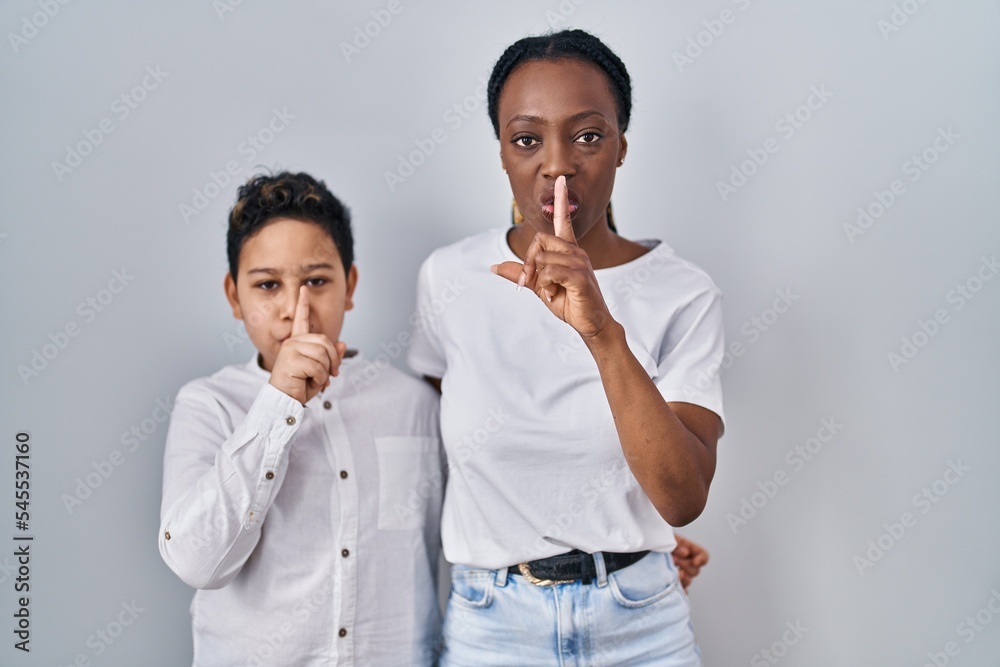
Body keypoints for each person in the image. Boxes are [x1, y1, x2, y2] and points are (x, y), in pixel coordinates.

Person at [408, 29, 724, 665]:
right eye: (527, 139)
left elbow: (682, 498)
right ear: (501, 153)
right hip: (491, 628)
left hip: (641, 625)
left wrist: (601, 331)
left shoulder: (682, 292)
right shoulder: (449, 278)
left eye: (587, 135)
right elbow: (424, 447)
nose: (557, 164)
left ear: (621, 146)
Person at [158, 172, 444, 666]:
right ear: (234, 297)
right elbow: (196, 561)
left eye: (317, 281)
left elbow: (441, 555)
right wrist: (278, 404)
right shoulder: (208, 405)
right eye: (268, 285)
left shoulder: (412, 404)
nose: (297, 309)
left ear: (350, 286)